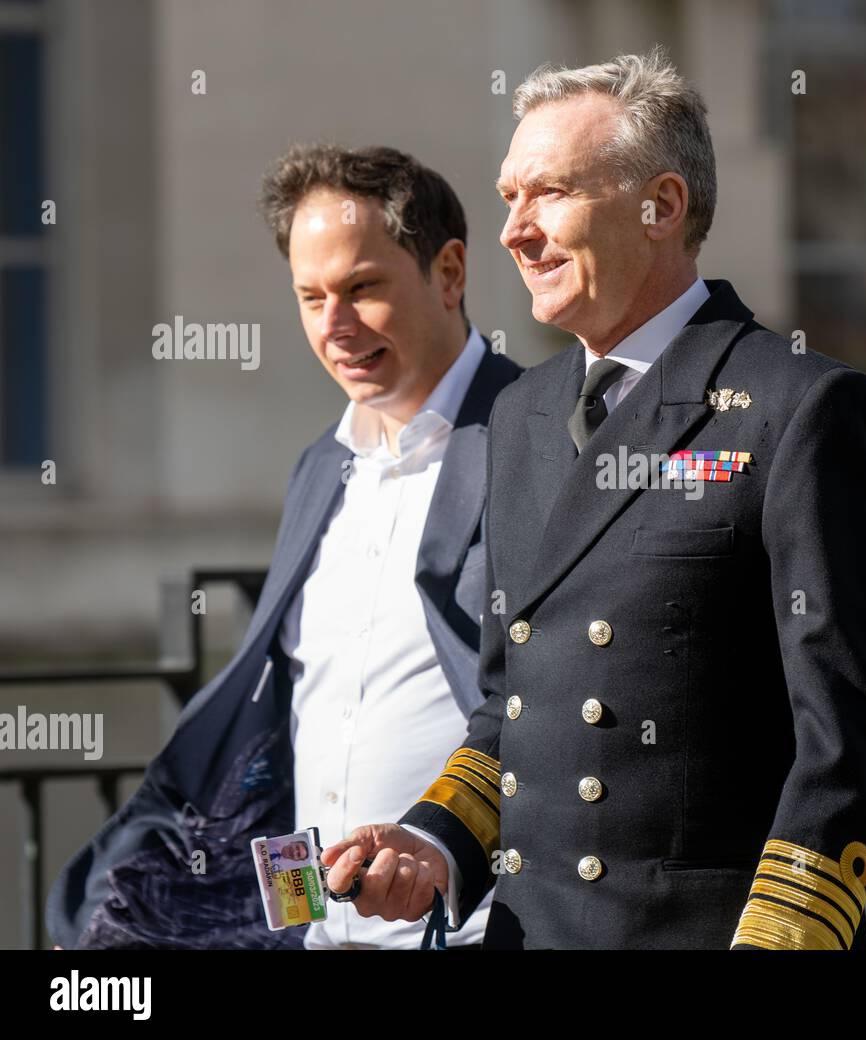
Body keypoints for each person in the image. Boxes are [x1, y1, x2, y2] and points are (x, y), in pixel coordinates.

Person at [324, 48, 866, 950]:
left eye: (550, 193)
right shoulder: (520, 414)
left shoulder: (803, 408)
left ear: (662, 207)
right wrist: (433, 842)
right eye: (508, 197)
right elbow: (511, 705)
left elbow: (844, 737)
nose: (516, 231)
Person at [46, 144, 519, 949]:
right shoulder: (321, 467)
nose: (333, 326)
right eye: (310, 297)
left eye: (362, 289)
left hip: (471, 934)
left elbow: (551, 703)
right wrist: (282, 924)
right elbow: (296, 729)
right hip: (314, 935)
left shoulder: (535, 437)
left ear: (449, 272)